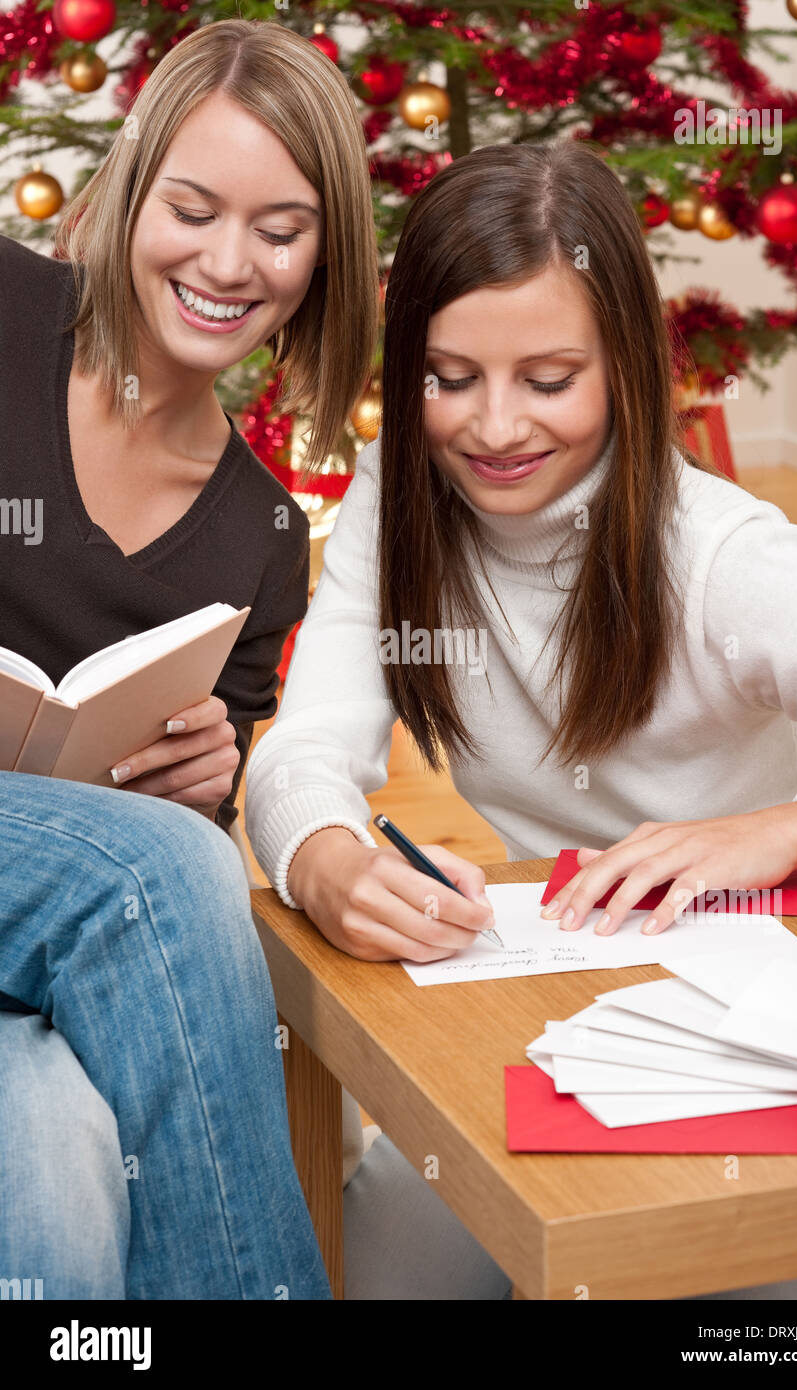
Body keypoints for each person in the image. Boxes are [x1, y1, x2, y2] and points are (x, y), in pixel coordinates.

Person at [244, 140, 797, 1300]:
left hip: (755, 1048)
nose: (492, 429)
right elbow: (305, 744)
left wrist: (795, 829)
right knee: (388, 1258)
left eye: (547, 378)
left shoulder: (724, 558)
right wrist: (320, 854)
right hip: (539, 1015)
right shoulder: (399, 499)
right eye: (450, 376)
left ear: (624, 364)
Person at [0, 16, 380, 1299]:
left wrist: (203, 779)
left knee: (53, 1165)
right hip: (80, 893)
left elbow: (178, 892)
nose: (229, 263)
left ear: (324, 255)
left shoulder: (263, 532)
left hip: (25, 946)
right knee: (160, 869)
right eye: (194, 209)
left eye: (279, 230)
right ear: (126, 193)